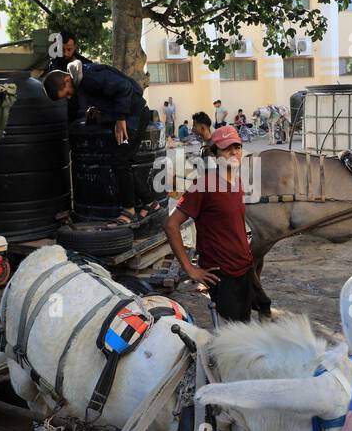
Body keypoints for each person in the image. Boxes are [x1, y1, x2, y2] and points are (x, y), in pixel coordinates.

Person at [165, 125, 261, 322]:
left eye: (237, 146)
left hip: (243, 269)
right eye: (227, 149)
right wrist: (190, 269)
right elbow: (171, 224)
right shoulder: (204, 185)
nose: (234, 152)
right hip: (221, 275)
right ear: (216, 154)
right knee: (232, 338)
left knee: (245, 327)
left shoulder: (237, 181)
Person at [43, 62, 158, 225]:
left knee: (120, 161)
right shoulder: (81, 82)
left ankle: (130, 211)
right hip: (130, 116)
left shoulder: (89, 76)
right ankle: (150, 202)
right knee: (121, 162)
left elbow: (124, 87)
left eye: (67, 93)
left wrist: (120, 118)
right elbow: (105, 96)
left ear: (67, 80)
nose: (69, 96)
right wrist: (96, 109)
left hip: (134, 116)